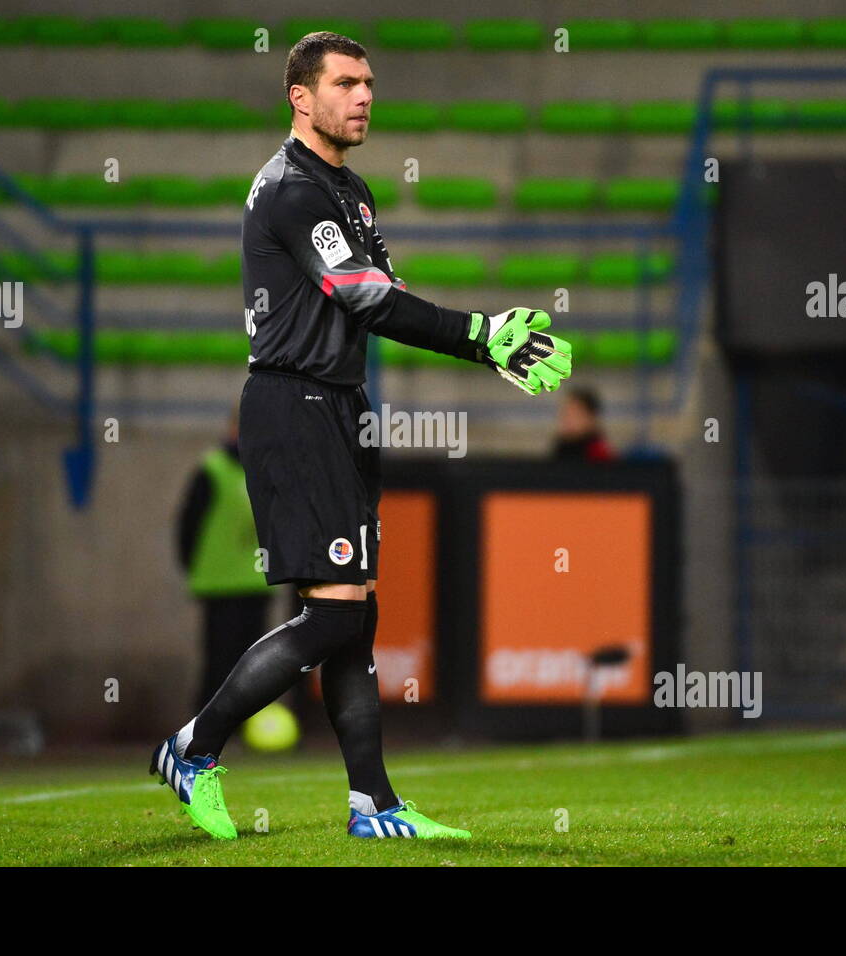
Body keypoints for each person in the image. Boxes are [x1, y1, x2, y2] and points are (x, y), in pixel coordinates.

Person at [150, 31, 573, 841]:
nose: (365, 95)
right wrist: (482, 336)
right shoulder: (291, 190)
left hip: (340, 408)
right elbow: (363, 298)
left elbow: (383, 291)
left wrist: (464, 334)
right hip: (294, 408)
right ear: (300, 98)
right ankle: (194, 746)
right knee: (336, 615)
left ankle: (372, 805)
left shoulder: (352, 190)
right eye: (345, 82)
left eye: (370, 82)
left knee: (353, 613)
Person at [175, 408, 274, 714]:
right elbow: (188, 525)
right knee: (220, 663)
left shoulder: (268, 470)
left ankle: (248, 727)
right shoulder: (212, 470)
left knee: (257, 665)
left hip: (257, 582)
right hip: (220, 584)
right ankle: (205, 730)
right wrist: (195, 567)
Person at [552, 387, 615, 463]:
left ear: (590, 417)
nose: (567, 419)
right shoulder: (560, 447)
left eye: (575, 414)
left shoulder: (599, 453)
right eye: (565, 413)